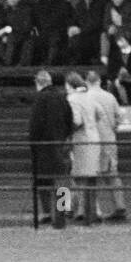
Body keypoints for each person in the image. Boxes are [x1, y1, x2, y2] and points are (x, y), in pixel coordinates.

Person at [27, 69, 72, 225]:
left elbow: (35, 124)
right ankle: (63, 209)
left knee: (43, 181)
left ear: (38, 83)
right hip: (60, 143)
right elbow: (69, 119)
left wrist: (33, 141)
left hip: (43, 146)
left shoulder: (40, 99)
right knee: (62, 179)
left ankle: (47, 212)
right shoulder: (62, 97)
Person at [65, 71, 102, 222]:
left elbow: (77, 120)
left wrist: (66, 131)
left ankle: (83, 210)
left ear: (70, 85)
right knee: (90, 177)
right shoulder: (90, 96)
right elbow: (99, 114)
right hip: (95, 139)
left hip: (81, 141)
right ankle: (91, 210)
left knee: (78, 177)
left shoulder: (72, 98)